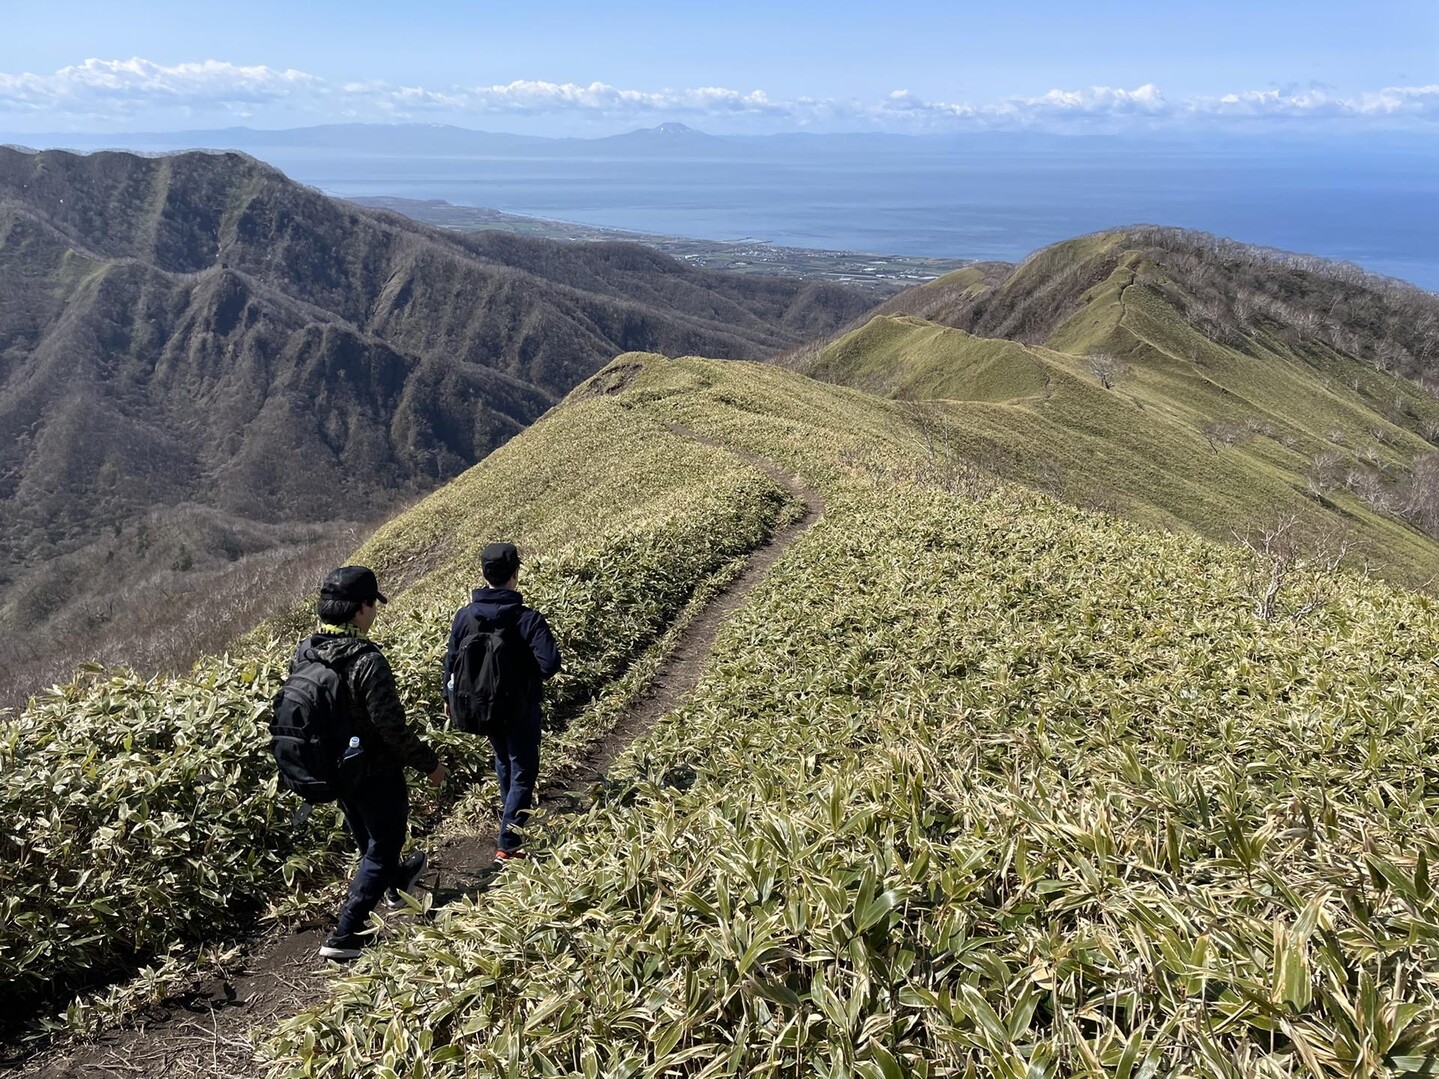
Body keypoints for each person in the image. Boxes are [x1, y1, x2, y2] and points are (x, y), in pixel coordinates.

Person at [298, 565, 448, 960]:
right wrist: (430, 764)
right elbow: (391, 728)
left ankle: (396, 884)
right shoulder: (366, 660)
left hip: (334, 768)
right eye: (373, 604)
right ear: (361, 608)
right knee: (386, 841)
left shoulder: (307, 651)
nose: (375, 612)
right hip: (374, 769)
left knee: (368, 836)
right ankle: (345, 933)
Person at [443, 542, 561, 862]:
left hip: (483, 706)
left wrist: (448, 698)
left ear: (484, 574)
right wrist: (525, 676)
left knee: (504, 761)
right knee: (524, 769)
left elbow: (452, 660)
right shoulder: (527, 620)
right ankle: (508, 844)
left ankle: (510, 825)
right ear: (515, 574)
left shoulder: (464, 616)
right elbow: (550, 664)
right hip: (521, 707)